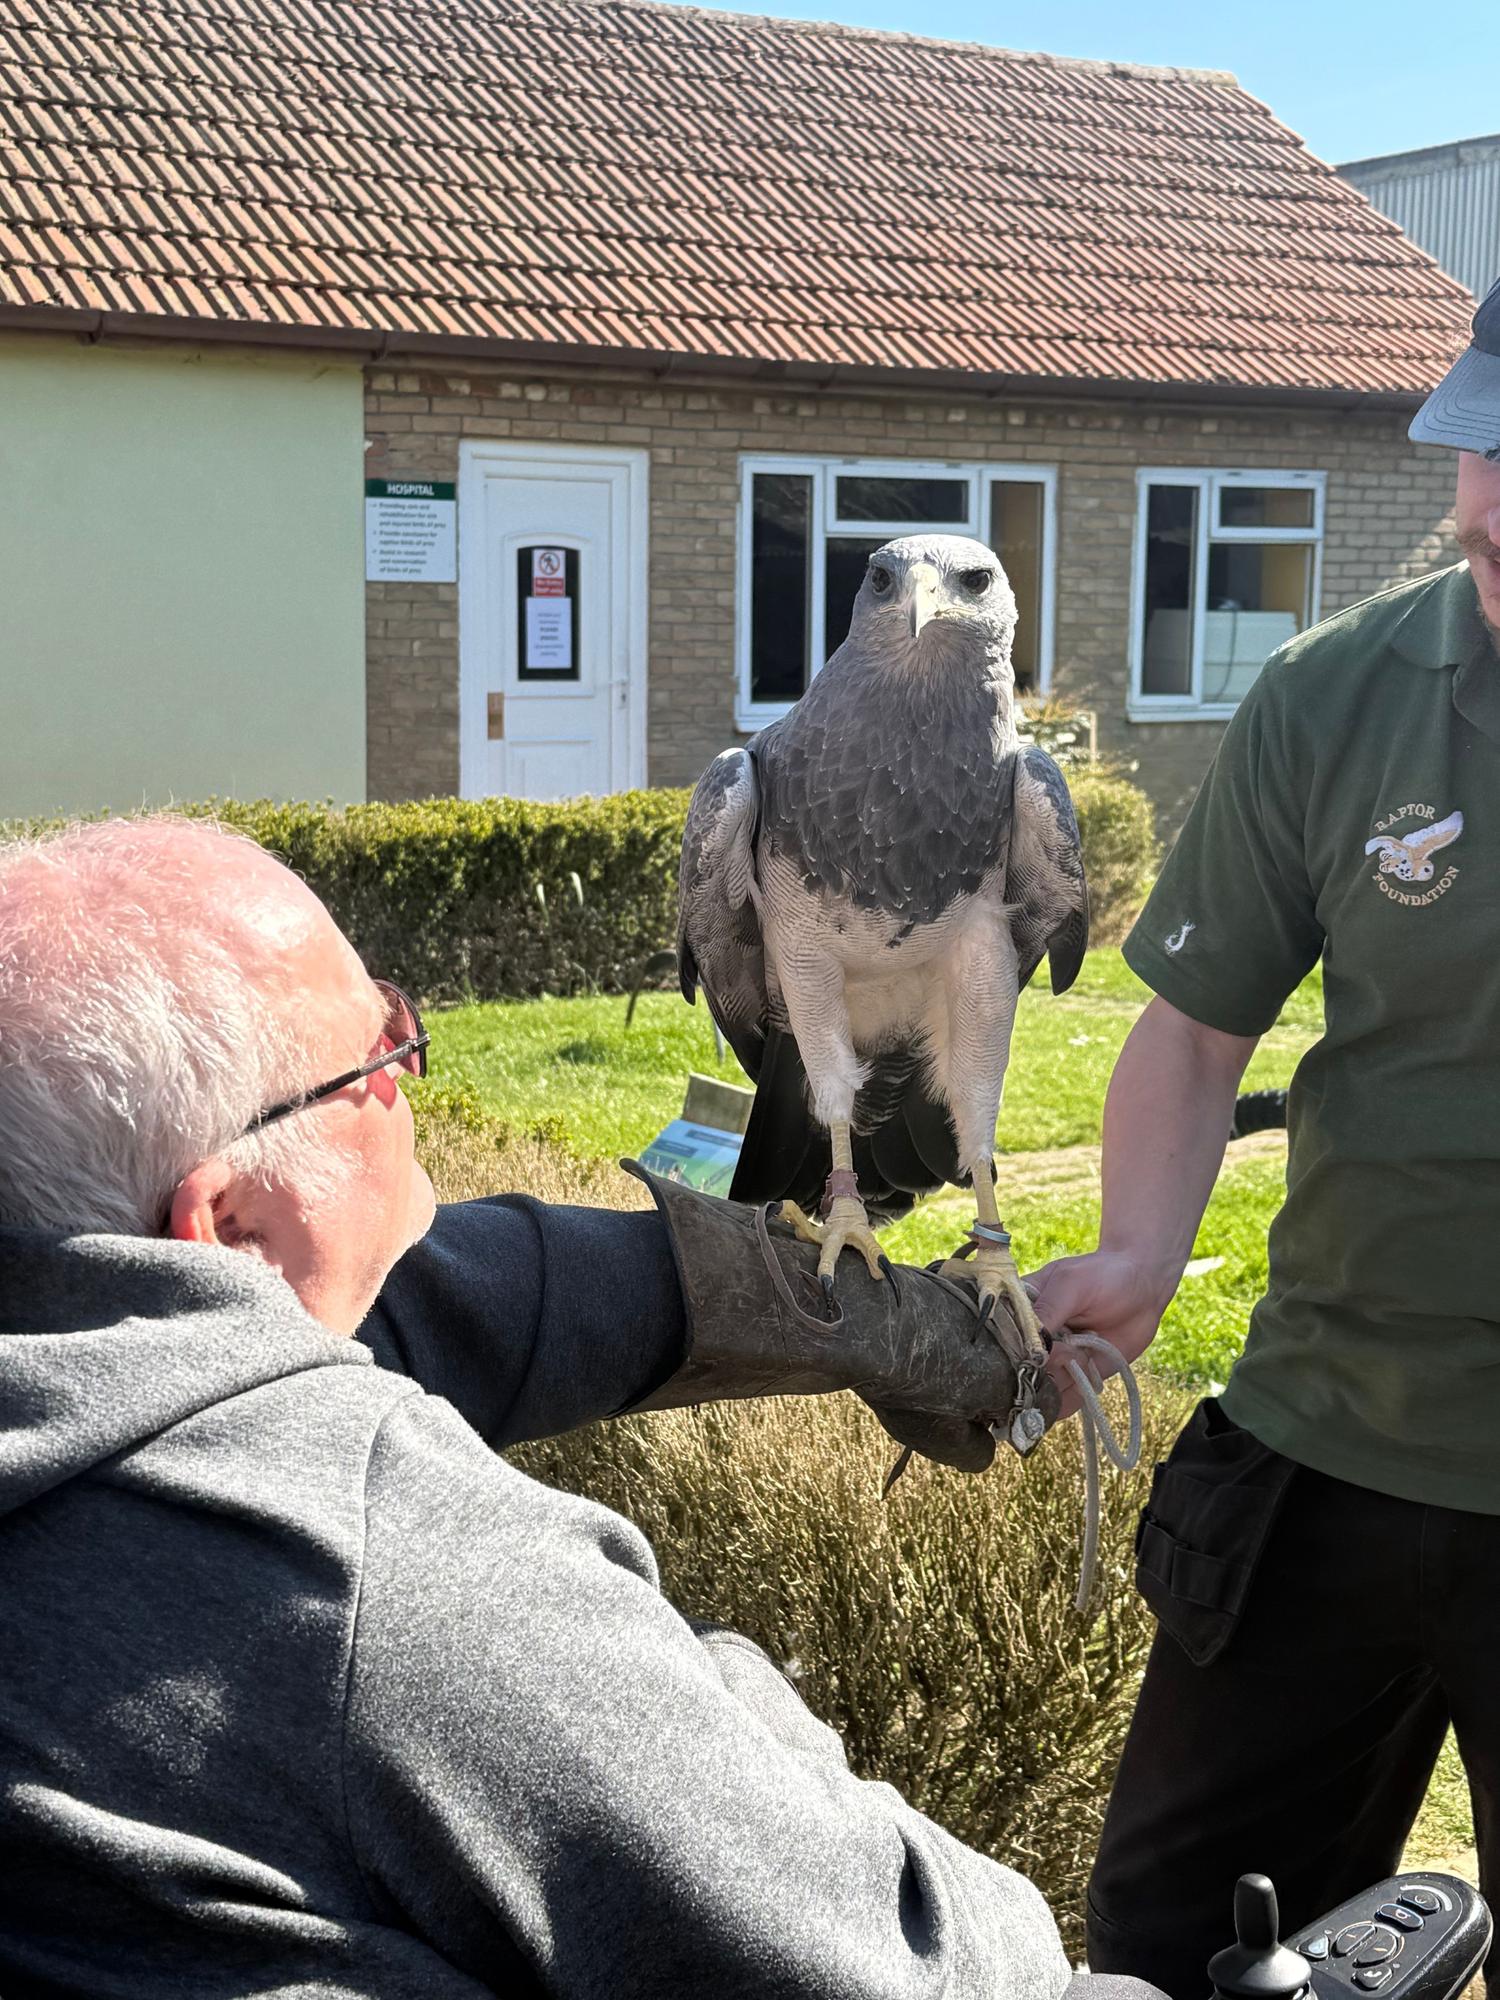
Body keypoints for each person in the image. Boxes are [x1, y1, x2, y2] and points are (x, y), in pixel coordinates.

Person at [0, 811, 1135, 1999]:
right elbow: (898, 1956)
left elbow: (452, 1299)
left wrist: (866, 1319)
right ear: (225, 1223)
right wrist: (704, 1673)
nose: (407, 1069)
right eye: (373, 1060)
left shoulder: (79, 1368)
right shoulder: (372, 1569)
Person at [1029, 275, 1500, 1997]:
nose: (1486, 508)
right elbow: (1198, 1021)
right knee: (1167, 1948)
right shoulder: (1336, 697)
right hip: (1330, 1450)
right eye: (1477, 446)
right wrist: (1142, 1251)